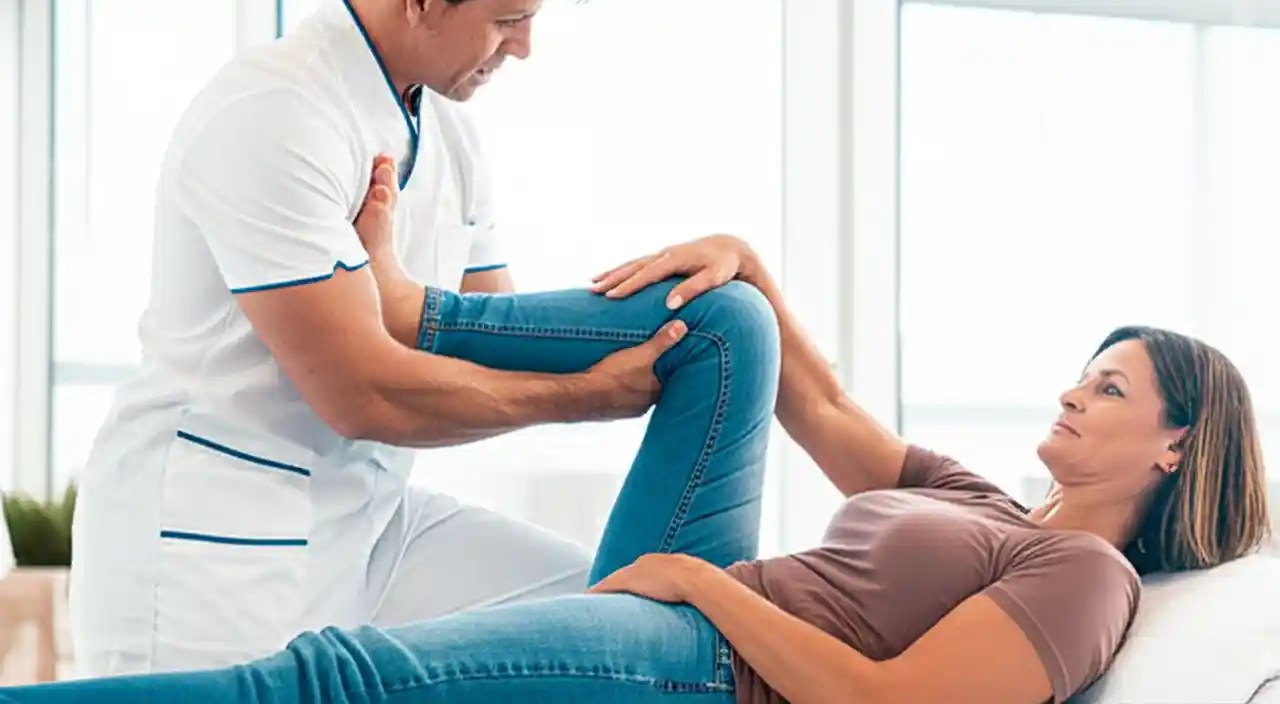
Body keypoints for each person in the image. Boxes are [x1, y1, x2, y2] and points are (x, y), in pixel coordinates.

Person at [13, 167, 1270, 704]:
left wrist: (705, 595)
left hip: (702, 670)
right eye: (1081, 373)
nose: (1070, 393)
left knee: (340, 678)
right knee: (727, 324)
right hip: (695, 611)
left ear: (1176, 447)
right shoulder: (988, 509)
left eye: (1108, 391)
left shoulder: (1085, 576)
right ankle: (418, 314)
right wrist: (749, 260)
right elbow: (817, 406)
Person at [68, 0, 779, 677]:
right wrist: (589, 395)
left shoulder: (450, 137)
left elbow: (489, 334)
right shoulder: (276, 111)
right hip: (215, 539)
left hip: (372, 520)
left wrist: (698, 288)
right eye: (508, 21)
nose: (526, 47)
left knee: (612, 625)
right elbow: (362, 393)